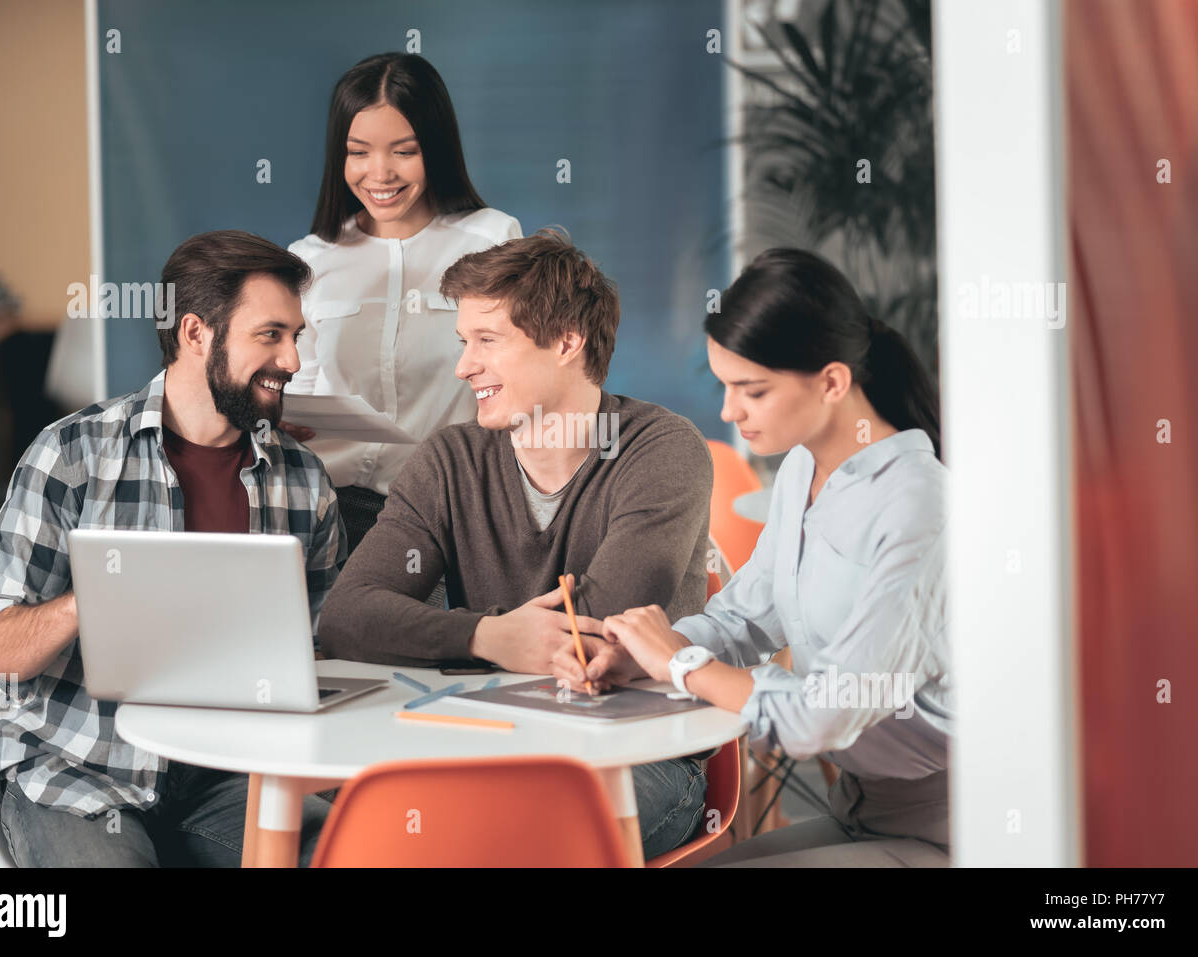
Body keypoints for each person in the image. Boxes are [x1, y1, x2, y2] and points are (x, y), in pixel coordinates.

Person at [318, 230, 715, 860]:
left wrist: (461, 636)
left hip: (636, 754)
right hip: (482, 739)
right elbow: (349, 615)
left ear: (566, 343)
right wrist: (486, 637)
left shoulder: (660, 448)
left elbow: (603, 627)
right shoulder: (451, 459)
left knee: (496, 845)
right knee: (372, 833)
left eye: (487, 341)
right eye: (462, 342)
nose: (463, 366)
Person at [0, 230, 346, 867]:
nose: (293, 361)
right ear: (196, 333)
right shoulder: (73, 454)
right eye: (270, 335)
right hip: (76, 770)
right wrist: (99, 597)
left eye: (295, 336)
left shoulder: (302, 481)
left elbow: (322, 648)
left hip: (229, 777)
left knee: (351, 855)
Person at [557, 248, 952, 867]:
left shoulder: (918, 507)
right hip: (859, 810)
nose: (728, 411)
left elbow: (825, 716)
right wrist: (637, 658)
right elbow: (745, 618)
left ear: (831, 382)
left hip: (958, 830)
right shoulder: (803, 469)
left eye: (753, 390)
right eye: (725, 385)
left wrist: (680, 664)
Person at [283, 52, 522, 576]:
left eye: (404, 151)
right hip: (332, 509)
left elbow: (518, 381)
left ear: (434, 149)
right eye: (358, 152)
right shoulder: (309, 260)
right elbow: (295, 383)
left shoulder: (492, 239)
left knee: (424, 647)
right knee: (328, 651)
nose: (379, 173)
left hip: (449, 510)